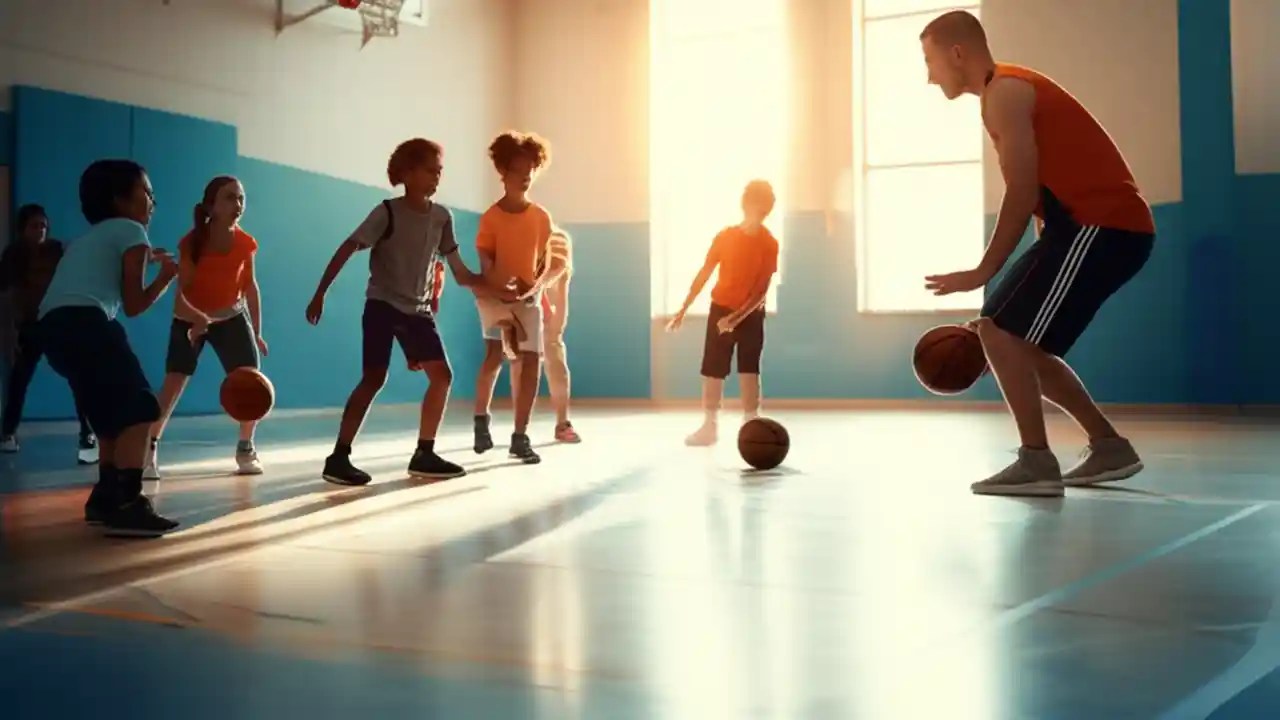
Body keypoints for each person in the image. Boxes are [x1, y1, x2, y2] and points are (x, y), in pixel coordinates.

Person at [919, 10, 1154, 497]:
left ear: (957, 53)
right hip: (1084, 228)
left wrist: (984, 271)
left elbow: (1022, 192)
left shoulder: (1004, 93)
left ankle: (1035, 462)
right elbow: (1043, 196)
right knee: (1011, 338)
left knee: (999, 330)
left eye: (930, 60)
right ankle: (1108, 447)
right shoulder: (1006, 90)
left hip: (1101, 225)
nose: (928, 75)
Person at [307, 138, 508, 487]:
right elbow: (348, 246)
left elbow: (460, 273)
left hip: (417, 312)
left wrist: (495, 287)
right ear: (408, 172)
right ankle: (338, 457)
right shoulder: (387, 212)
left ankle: (424, 453)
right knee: (373, 378)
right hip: (382, 306)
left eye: (440, 171)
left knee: (442, 377)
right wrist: (321, 291)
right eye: (431, 170)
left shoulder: (442, 218)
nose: (437, 177)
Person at [37, 159, 181, 537]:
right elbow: (134, 305)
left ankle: (103, 496)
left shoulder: (88, 239)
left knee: (106, 415)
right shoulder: (132, 230)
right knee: (140, 407)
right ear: (120, 199)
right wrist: (166, 277)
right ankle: (127, 502)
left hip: (51, 328)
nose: (153, 201)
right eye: (146, 192)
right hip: (85, 321)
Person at [146, 176, 267, 480]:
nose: (238, 204)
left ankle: (245, 447)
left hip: (232, 318)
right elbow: (181, 297)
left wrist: (257, 331)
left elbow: (250, 287)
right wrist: (199, 320)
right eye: (229, 198)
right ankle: (148, 449)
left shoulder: (246, 243)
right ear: (211, 205)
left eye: (241, 198)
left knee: (250, 383)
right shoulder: (192, 243)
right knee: (174, 383)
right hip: (190, 318)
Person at [667, 180, 780, 446]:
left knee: (749, 367)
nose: (758, 211)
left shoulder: (769, 243)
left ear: (767, 210)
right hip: (720, 309)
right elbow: (705, 272)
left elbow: (761, 291)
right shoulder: (726, 236)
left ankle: (751, 423)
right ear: (746, 204)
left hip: (750, 313)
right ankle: (709, 427)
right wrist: (684, 307)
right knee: (713, 369)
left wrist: (736, 318)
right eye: (755, 204)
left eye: (763, 207)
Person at [471, 130, 557, 464]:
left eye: (530, 170)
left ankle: (520, 437)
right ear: (503, 172)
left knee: (531, 360)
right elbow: (485, 262)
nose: (525, 176)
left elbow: (544, 263)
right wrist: (499, 287)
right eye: (518, 169)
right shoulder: (491, 218)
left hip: (527, 300)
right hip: (494, 298)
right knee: (495, 356)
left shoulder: (541, 217)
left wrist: (534, 289)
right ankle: (481, 418)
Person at [0, 204, 98, 463]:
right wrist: (9, 333)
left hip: (57, 323)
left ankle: (87, 434)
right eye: (34, 225)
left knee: (79, 377)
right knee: (18, 380)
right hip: (29, 326)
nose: (40, 230)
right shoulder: (13, 256)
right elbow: (7, 296)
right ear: (23, 229)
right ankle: (7, 433)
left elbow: (77, 262)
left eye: (43, 225)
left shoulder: (56, 250)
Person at [539, 227, 580, 442]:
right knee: (521, 366)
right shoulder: (535, 260)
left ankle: (562, 423)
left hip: (551, 323)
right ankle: (520, 431)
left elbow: (562, 293)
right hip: (528, 313)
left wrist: (556, 326)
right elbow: (536, 288)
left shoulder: (563, 271)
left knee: (558, 366)